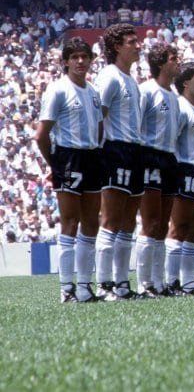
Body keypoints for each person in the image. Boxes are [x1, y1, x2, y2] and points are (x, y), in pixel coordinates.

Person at [34, 38, 103, 302]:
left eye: (84, 56)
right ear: (65, 62)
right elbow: (42, 135)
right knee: (70, 223)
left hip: (92, 157)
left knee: (91, 223)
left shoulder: (94, 92)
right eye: (74, 57)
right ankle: (66, 289)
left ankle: (85, 288)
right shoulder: (58, 90)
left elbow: (98, 127)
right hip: (69, 157)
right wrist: (56, 164)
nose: (80, 61)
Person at [94, 23, 143, 301]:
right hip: (115, 151)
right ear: (116, 47)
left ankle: (123, 284)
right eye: (131, 41)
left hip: (133, 152)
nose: (137, 45)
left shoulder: (130, 80)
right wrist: (99, 154)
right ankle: (104, 285)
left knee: (128, 223)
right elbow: (97, 117)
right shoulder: (109, 77)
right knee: (111, 220)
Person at [136, 43, 181, 297]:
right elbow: (137, 127)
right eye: (173, 59)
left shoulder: (174, 97)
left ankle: (159, 281)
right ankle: (144, 283)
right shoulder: (146, 91)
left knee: (163, 224)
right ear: (161, 63)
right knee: (151, 221)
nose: (178, 62)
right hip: (150, 157)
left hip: (169, 159)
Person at [165, 61, 194, 295]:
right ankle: (172, 281)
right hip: (186, 170)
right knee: (179, 226)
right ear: (185, 82)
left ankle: (189, 282)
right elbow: (172, 141)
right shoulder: (180, 108)